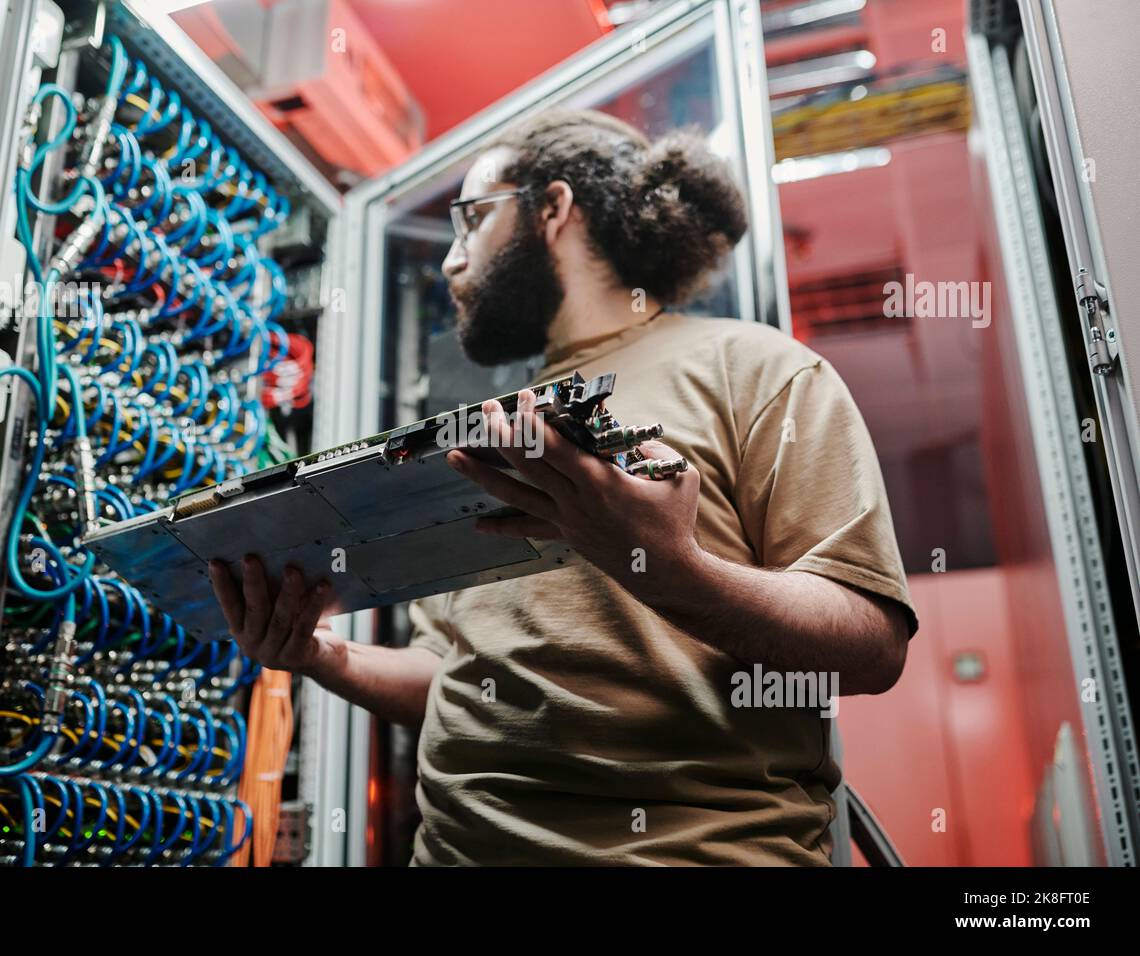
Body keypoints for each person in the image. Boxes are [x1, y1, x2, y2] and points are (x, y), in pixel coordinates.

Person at [208, 109, 918, 866]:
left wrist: (670, 569)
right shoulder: (491, 432)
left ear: (552, 209)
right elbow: (464, 680)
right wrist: (320, 657)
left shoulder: (757, 370)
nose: (451, 262)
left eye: (472, 220)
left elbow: (872, 646)